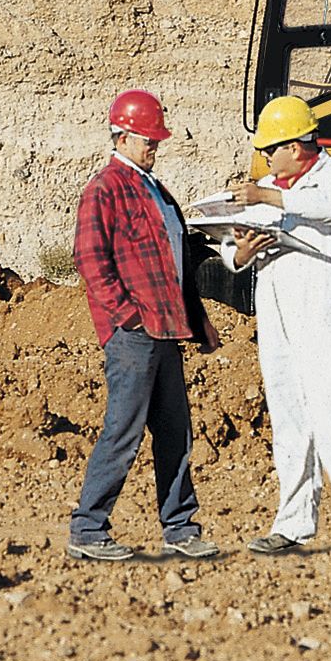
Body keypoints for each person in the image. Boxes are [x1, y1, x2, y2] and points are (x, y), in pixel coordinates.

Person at [67, 88, 223, 562]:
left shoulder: (156, 190)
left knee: (175, 432)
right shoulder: (105, 189)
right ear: (122, 137)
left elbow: (175, 261)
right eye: (147, 140)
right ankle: (88, 529)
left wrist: (197, 319)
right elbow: (90, 259)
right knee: (123, 431)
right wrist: (127, 316)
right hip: (134, 334)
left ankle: (180, 527)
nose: (154, 147)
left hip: (167, 329)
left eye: (156, 140)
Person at [225, 96, 331, 555]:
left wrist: (267, 198)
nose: (264, 157)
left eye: (270, 149)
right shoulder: (266, 187)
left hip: (328, 310)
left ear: (296, 146)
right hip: (278, 311)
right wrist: (241, 252)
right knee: (289, 416)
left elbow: (327, 206)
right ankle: (293, 522)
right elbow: (232, 249)